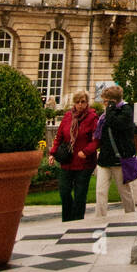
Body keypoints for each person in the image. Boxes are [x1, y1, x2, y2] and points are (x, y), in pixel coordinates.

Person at [48, 91, 99, 223]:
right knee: (64, 192)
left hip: (84, 162)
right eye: (78, 102)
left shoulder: (92, 118)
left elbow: (97, 140)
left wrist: (86, 151)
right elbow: (59, 136)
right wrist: (53, 153)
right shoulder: (68, 116)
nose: (80, 105)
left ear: (87, 103)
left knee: (80, 194)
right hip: (68, 160)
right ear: (74, 103)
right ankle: (67, 219)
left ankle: (77, 221)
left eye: (83, 102)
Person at [94, 85, 137, 219]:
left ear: (112, 101)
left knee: (124, 191)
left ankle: (130, 215)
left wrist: (110, 109)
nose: (104, 104)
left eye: (106, 101)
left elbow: (117, 124)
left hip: (120, 158)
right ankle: (100, 217)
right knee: (100, 191)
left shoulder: (125, 110)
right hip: (105, 158)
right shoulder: (105, 115)